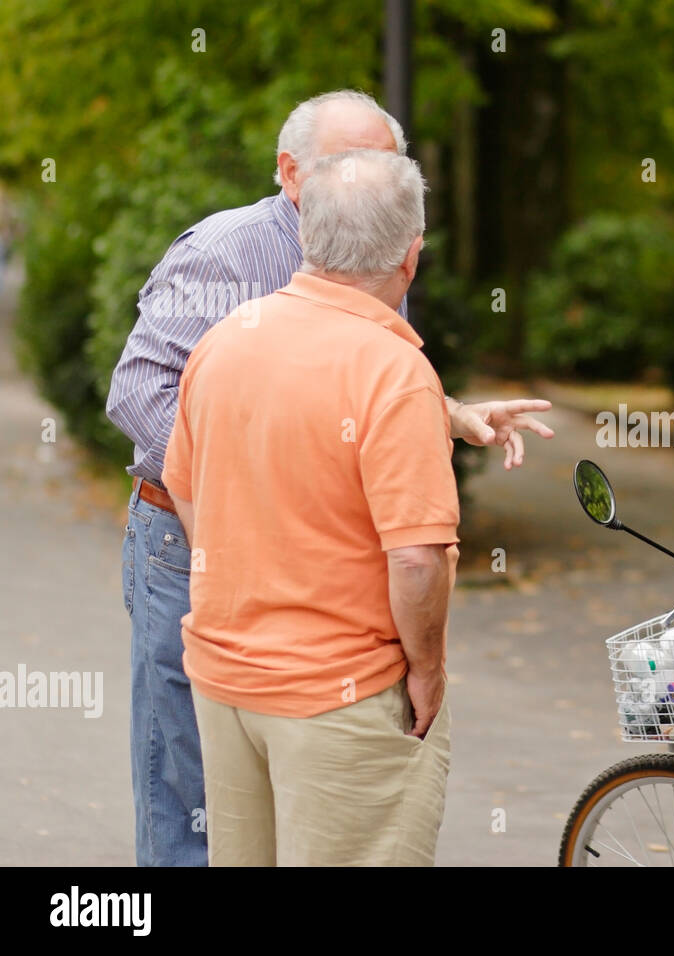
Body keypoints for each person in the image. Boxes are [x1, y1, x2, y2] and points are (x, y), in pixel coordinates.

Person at [107, 90, 553, 866]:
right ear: (291, 173)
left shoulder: (360, 232)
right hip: (191, 551)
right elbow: (140, 396)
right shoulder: (226, 251)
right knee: (190, 812)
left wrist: (442, 412)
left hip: (282, 584)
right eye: (347, 164)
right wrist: (248, 514)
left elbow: (333, 383)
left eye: (384, 163)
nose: (366, 179)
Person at [162, 148, 457, 865]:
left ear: (308, 237)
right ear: (410, 257)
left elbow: (184, 485)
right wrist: (427, 667)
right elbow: (416, 557)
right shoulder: (394, 372)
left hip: (226, 683)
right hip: (342, 695)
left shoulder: (224, 343)